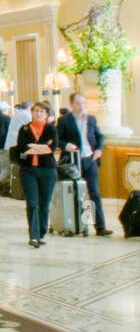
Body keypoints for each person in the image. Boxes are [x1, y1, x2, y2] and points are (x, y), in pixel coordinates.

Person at [57, 92, 111, 236]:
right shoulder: (64, 120)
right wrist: (66, 145)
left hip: (90, 160)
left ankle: (100, 227)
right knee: (75, 193)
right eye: (78, 103)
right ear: (72, 105)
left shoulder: (91, 119)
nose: (81, 106)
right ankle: (76, 225)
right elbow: (57, 139)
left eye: (83, 103)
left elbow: (99, 136)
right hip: (73, 162)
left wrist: (99, 149)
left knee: (95, 193)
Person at [11, 101, 59, 248]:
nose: (38, 114)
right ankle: (33, 236)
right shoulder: (24, 129)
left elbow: (53, 147)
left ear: (46, 114)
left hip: (47, 170)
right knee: (32, 203)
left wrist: (34, 147)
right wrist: (42, 147)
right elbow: (22, 147)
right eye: (36, 111)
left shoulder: (51, 128)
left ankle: (42, 232)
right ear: (31, 112)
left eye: (42, 112)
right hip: (28, 170)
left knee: (44, 203)